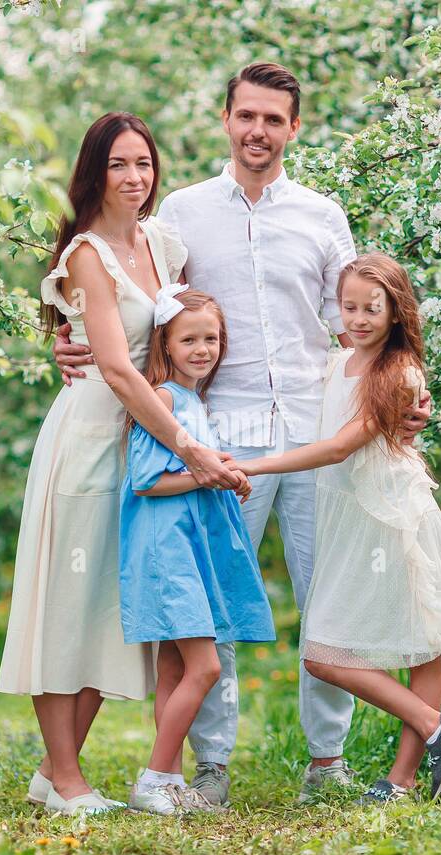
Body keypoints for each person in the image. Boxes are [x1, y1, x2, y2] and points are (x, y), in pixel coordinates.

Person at [52, 63, 433, 806]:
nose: (257, 131)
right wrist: (65, 342)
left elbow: (364, 320)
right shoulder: (181, 218)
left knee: (330, 599)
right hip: (215, 437)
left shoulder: (323, 216)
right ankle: (211, 769)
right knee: (213, 602)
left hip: (318, 428)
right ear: (225, 118)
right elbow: (124, 300)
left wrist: (405, 395)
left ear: (294, 128)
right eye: (246, 116)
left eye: (273, 119)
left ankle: (327, 764)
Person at [0, 112, 241, 818]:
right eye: (119, 166)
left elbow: (186, 327)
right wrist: (189, 447)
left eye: (144, 164)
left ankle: (52, 769)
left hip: (148, 440)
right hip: (94, 438)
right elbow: (116, 367)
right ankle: (68, 783)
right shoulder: (85, 256)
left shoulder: (162, 243)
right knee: (68, 605)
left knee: (116, 605)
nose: (135, 178)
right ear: (94, 174)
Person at [229, 253, 441, 803]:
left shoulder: (400, 372)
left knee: (418, 644)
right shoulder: (336, 361)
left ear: (396, 311)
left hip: (388, 514)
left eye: (373, 308)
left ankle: (405, 776)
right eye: (349, 307)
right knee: (325, 650)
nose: (359, 318)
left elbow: (341, 446)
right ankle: (440, 728)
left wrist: (254, 463)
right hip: (345, 517)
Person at [119, 286, 275, 815]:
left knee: (172, 670)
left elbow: (190, 468)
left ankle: (170, 780)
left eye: (211, 338)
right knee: (205, 667)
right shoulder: (161, 398)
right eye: (189, 339)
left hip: (188, 547)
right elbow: (146, 481)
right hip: (168, 551)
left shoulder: (193, 403)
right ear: (166, 342)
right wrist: (207, 476)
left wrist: (221, 468)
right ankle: (155, 778)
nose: (202, 349)